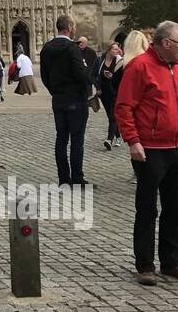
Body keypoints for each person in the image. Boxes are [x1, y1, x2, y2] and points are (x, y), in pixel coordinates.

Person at [114, 19, 178, 287]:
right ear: (166, 43)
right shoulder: (140, 67)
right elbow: (124, 107)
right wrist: (132, 141)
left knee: (175, 209)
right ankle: (145, 264)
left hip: (176, 148)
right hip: (150, 151)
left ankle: (172, 261)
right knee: (147, 209)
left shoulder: (175, 69)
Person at [39, 16, 92, 186]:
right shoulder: (72, 48)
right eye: (74, 26)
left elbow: (45, 76)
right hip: (76, 99)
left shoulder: (47, 48)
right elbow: (80, 73)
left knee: (61, 139)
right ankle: (77, 178)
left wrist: (55, 91)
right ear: (69, 27)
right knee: (77, 140)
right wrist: (88, 87)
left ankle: (63, 178)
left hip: (59, 100)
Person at [95, 41, 123, 150]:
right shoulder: (100, 61)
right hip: (104, 94)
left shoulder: (119, 62)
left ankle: (109, 140)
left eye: (117, 49)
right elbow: (93, 75)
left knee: (113, 116)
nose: (117, 51)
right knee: (111, 116)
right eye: (114, 49)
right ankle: (118, 136)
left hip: (116, 93)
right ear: (108, 50)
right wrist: (97, 87)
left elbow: (122, 79)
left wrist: (112, 77)